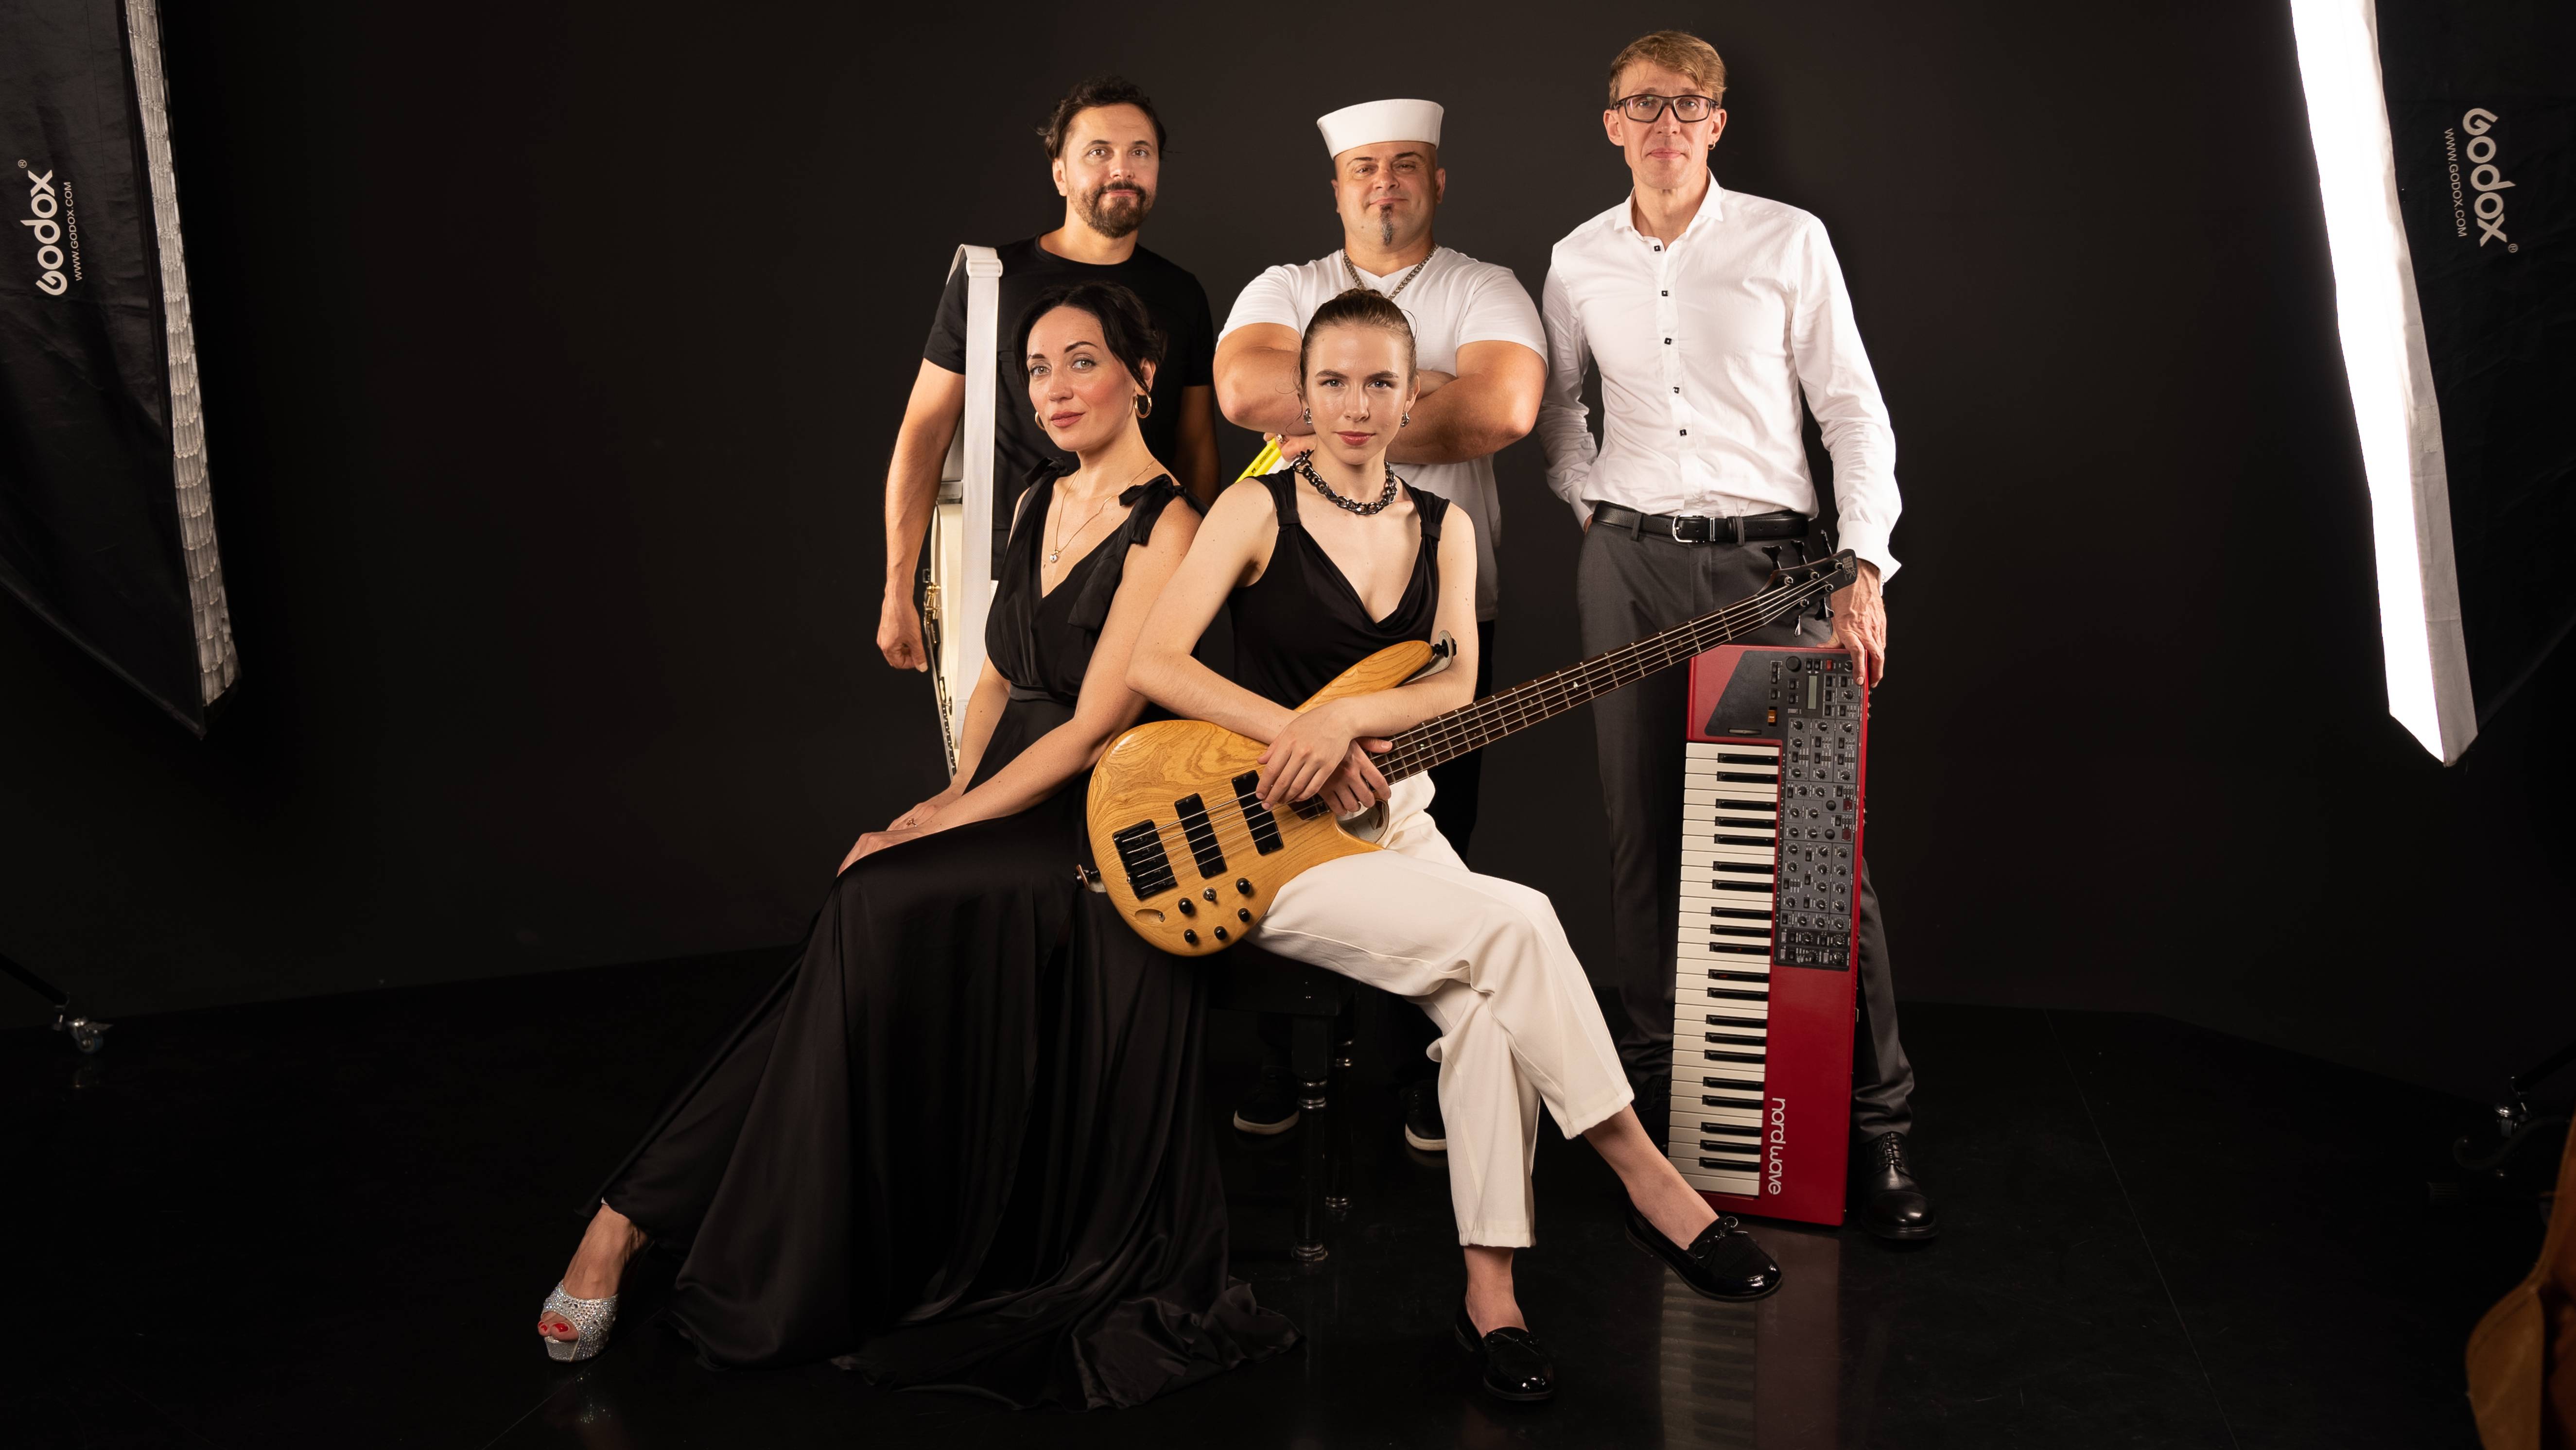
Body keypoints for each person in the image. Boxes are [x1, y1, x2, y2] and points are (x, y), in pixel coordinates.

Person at [533, 283, 1296, 1407]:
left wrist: (942, 823)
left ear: (1141, 377)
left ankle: (628, 1217)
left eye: (1080, 361)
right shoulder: (1036, 499)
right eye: (1036, 370)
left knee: (871, 899)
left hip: (1091, 817)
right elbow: (994, 676)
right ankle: (635, 1219)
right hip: (1001, 791)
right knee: (861, 919)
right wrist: (946, 790)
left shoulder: (1171, 525)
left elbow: (1092, 726)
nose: (1054, 389)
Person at [1126, 289, 1783, 1405]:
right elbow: (1156, 662)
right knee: (1520, 920)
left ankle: (1493, 1298)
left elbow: (1456, 680)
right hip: (1268, 839)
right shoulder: (1253, 509)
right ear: (1302, 396)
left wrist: (1352, 719)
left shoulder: (1447, 527)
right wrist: (1300, 732)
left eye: (1380, 382)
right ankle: (1648, 1180)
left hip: (1398, 822)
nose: (1355, 404)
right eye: (1332, 381)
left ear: (1412, 398)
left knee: (1487, 1010)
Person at [1536, 30, 1934, 1240]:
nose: (1664, 124)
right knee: (1642, 834)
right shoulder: (1576, 259)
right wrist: (1594, 507)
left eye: (1688, 104)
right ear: (1611, 122)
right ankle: (1659, 1111)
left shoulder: (1786, 240)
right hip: (1629, 567)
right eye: (1642, 104)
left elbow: (1851, 410)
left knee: (1816, 856)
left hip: (1776, 569)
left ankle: (1879, 1128)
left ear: (1716, 121)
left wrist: (1863, 565)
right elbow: (1556, 406)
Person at [1210, 98, 1544, 1152]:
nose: (1384, 183)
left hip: (1443, 619)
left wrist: (1333, 405)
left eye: (1406, 165)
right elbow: (1239, 388)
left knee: (1432, 843)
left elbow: (1505, 409)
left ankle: (1413, 1071)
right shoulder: (1285, 283)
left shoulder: (1483, 286)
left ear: (1437, 181)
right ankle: (1278, 1051)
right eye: (1364, 168)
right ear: (1337, 187)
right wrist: (1418, 392)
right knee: (1275, 823)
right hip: (1294, 612)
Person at [877, 74, 1223, 676]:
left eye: (1140, 152)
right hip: (999, 576)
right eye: (1098, 152)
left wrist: (1197, 584)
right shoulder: (990, 281)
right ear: (1060, 173)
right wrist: (896, 585)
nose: (1122, 168)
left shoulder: (1181, 293)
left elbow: (1194, 447)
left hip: (1139, 575)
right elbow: (925, 432)